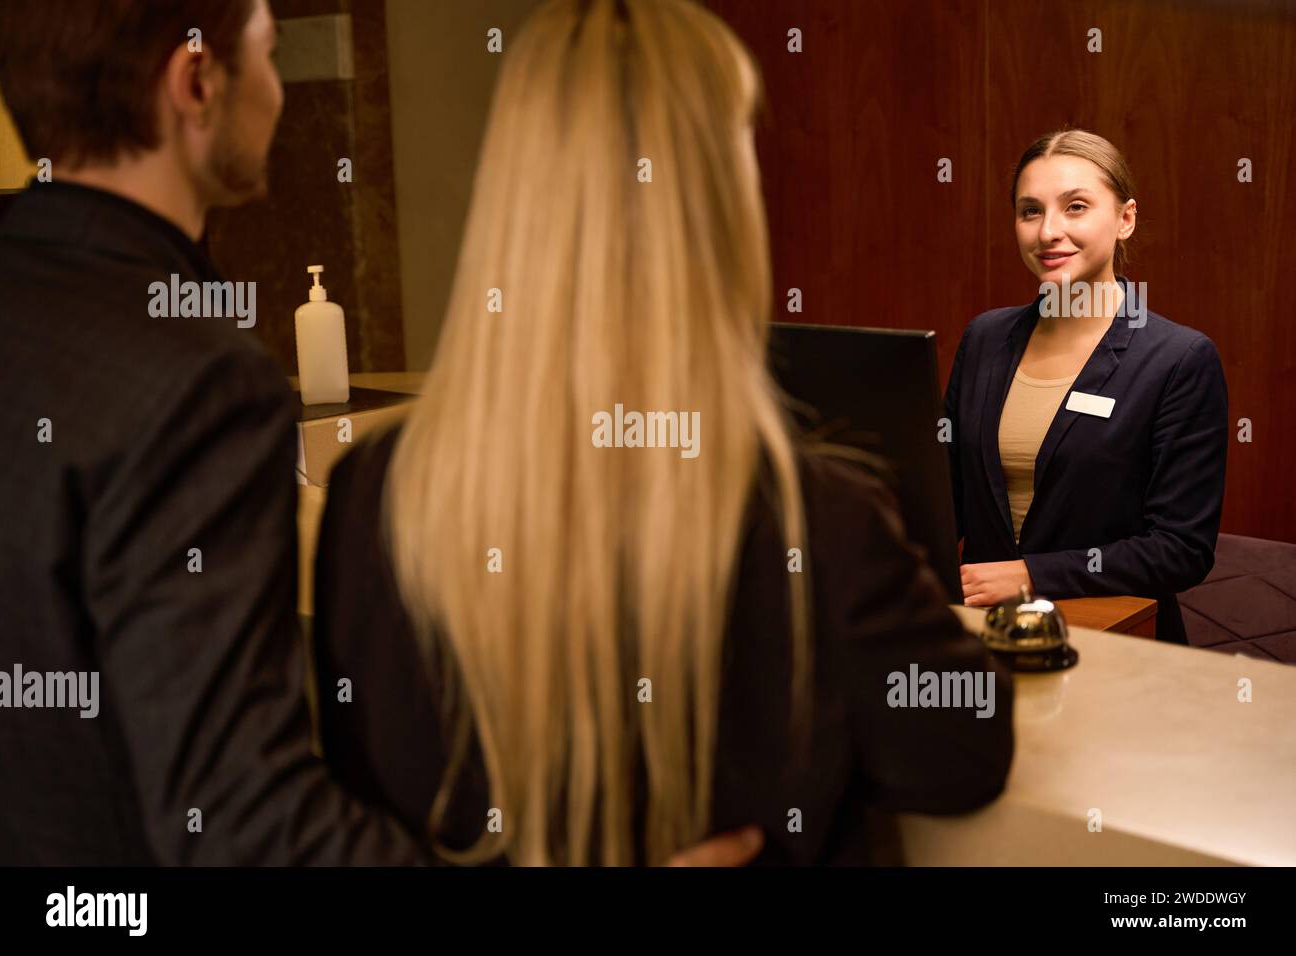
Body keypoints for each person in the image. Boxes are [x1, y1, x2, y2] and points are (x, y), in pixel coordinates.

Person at [0, 0, 755, 867]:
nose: (280, 94)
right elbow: (240, 826)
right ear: (197, 82)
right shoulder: (195, 383)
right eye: (270, 55)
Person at [313, 0, 1014, 867]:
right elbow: (965, 751)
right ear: (718, 206)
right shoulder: (814, 521)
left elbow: (353, 805)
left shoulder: (373, 494)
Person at [945, 129, 1228, 644]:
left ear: (1126, 219)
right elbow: (946, 500)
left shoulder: (1179, 360)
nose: (1048, 231)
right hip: (983, 642)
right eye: (1030, 211)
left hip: (1114, 646)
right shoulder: (984, 338)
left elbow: (1182, 549)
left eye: (1075, 207)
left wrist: (1030, 575)